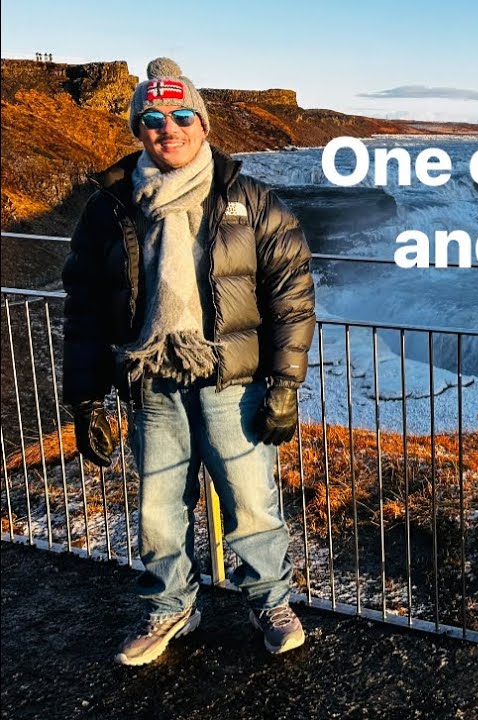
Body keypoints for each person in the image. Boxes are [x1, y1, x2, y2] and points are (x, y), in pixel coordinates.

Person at [62, 57, 315, 666]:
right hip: (151, 379)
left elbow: (292, 291)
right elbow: (87, 305)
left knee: (250, 497)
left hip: (233, 378)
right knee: (158, 504)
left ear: (202, 124)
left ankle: (271, 602)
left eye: (180, 115)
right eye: (152, 117)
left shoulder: (250, 201)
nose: (166, 128)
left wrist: (285, 382)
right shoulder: (112, 207)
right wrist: (86, 397)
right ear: (137, 128)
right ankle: (169, 606)